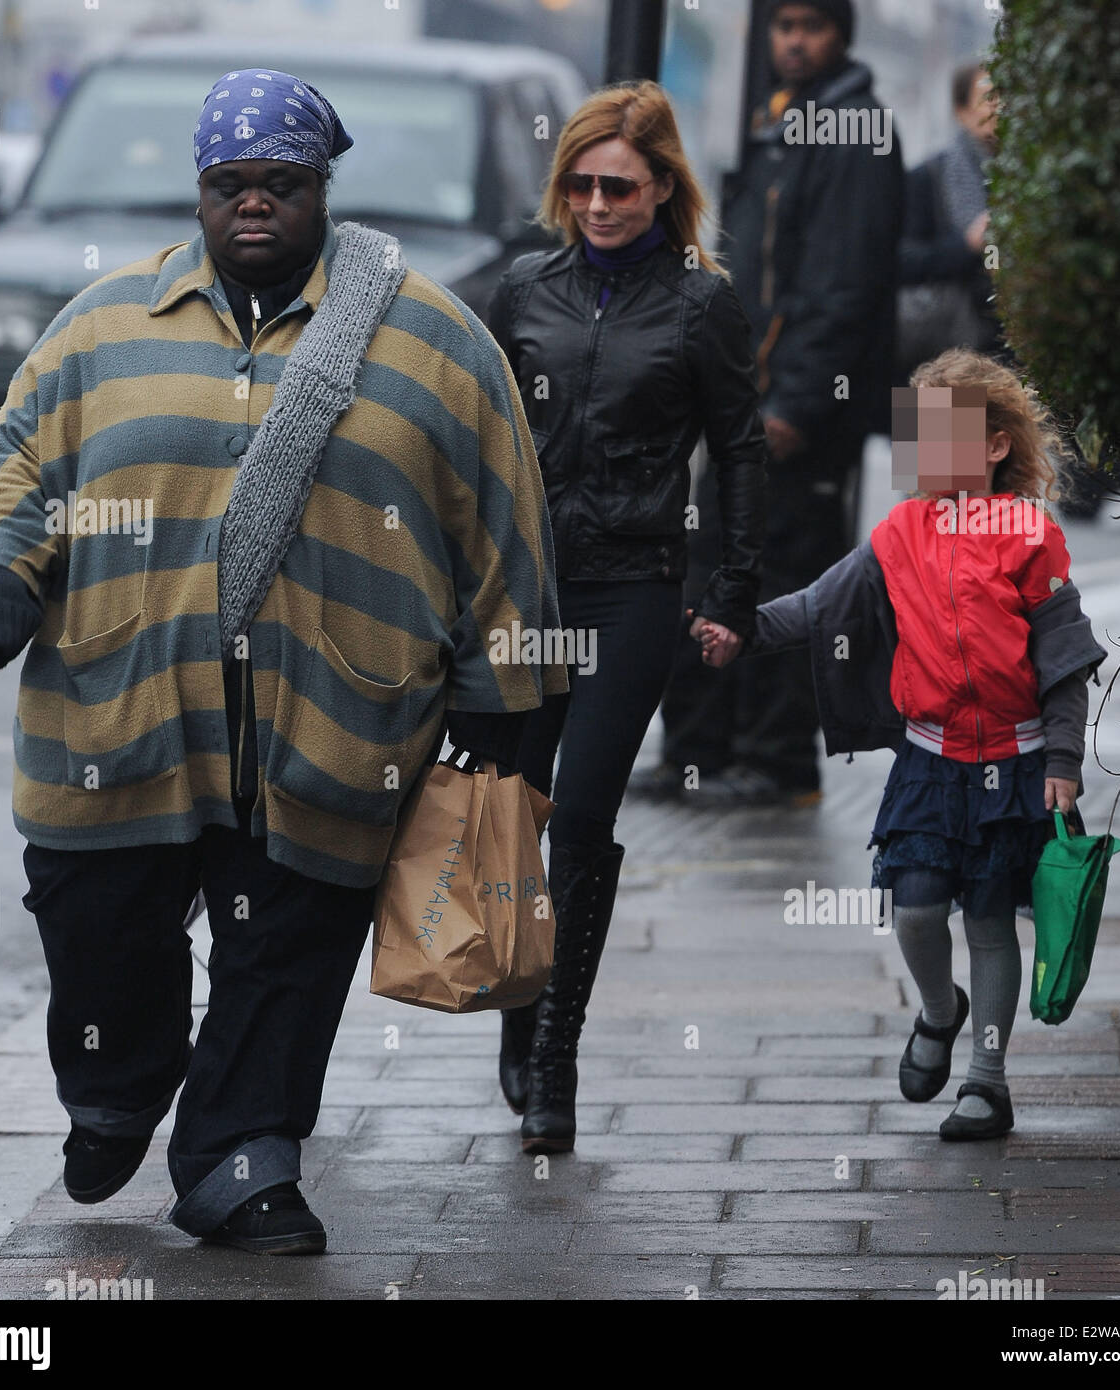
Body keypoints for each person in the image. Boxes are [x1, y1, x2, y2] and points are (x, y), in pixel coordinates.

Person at [0, 68, 564, 1253]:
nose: (253, 204)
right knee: (100, 933)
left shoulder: (431, 340)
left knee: (286, 954)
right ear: (200, 194)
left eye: (282, 183)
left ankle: (239, 1159)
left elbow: (502, 520)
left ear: (324, 187)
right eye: (230, 184)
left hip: (334, 730)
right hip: (117, 723)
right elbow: (16, 467)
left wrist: (511, 696)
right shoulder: (102, 325)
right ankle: (120, 1082)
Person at [720, 348, 1106, 1138]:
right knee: (916, 912)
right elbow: (819, 608)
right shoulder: (897, 534)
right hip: (930, 763)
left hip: (1016, 761)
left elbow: (1065, 662)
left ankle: (986, 1083)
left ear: (994, 445)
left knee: (991, 926)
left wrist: (1061, 761)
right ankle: (939, 1012)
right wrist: (738, 630)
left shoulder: (1029, 536)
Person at [485, 80, 765, 1153]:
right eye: (583, 184)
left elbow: (738, 451)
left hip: (634, 588)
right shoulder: (523, 289)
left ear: (661, 191)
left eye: (620, 186)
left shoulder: (701, 303)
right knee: (512, 810)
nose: (599, 204)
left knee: (584, 818)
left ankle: (554, 1056)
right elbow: (471, 420)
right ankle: (516, 1012)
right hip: (527, 589)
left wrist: (732, 590)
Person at [634, 0, 904, 808]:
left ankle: (779, 759)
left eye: (810, 26)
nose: (793, 40)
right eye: (782, 25)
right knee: (712, 566)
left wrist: (798, 401)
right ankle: (700, 751)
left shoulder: (856, 131)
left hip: (796, 412)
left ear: (840, 35)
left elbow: (843, 285)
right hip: (747, 399)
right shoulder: (781, 122)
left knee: (788, 577)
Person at [895, 60, 1003, 381]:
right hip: (944, 352)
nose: (999, 106)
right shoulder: (927, 177)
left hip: (1007, 353)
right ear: (961, 110)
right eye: (989, 96)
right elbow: (901, 260)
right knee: (945, 432)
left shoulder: (1026, 180)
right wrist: (967, 245)